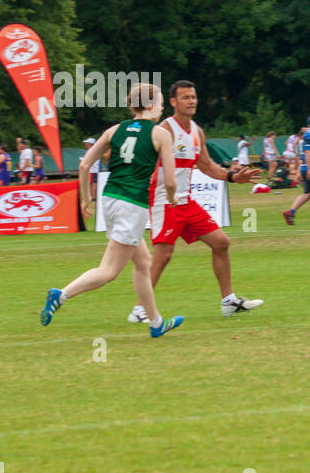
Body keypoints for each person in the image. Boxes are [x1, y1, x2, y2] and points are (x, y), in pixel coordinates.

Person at [39, 83, 183, 337]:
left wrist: (86, 199)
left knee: (143, 262)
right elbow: (170, 181)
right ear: (150, 105)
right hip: (132, 203)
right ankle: (60, 295)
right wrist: (172, 198)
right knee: (108, 271)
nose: (162, 107)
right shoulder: (161, 134)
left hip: (110, 199)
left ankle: (156, 323)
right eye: (160, 102)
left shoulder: (114, 130)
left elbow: (84, 165)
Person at [126, 80, 265, 323]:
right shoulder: (164, 129)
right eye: (185, 97)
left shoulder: (197, 132)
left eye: (193, 97)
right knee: (163, 254)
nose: (191, 101)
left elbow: (207, 166)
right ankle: (139, 310)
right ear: (172, 102)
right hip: (163, 201)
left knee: (221, 242)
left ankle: (228, 301)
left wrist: (233, 176)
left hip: (185, 201)